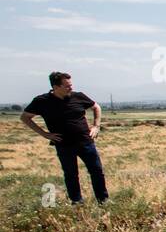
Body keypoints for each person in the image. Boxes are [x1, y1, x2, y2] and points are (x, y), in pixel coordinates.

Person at [21, 72, 109, 205]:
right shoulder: (42, 101)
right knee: (71, 174)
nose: (71, 88)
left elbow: (96, 107)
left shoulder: (78, 96)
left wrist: (96, 126)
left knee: (97, 171)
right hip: (63, 144)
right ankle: (77, 202)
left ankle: (103, 201)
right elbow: (25, 117)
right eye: (67, 86)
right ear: (55, 87)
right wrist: (45, 134)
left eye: (71, 85)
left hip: (85, 142)